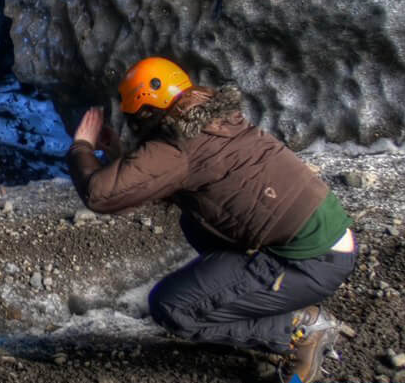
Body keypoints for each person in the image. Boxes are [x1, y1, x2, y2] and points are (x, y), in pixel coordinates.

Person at [69, 57, 355, 383]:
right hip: (326, 237)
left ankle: (297, 330)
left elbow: (100, 196)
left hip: (310, 260)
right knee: (194, 222)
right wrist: (116, 154)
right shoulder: (218, 121)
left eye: (134, 116)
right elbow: (146, 186)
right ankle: (242, 307)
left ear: (146, 111)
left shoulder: (178, 146)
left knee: (172, 307)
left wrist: (82, 145)